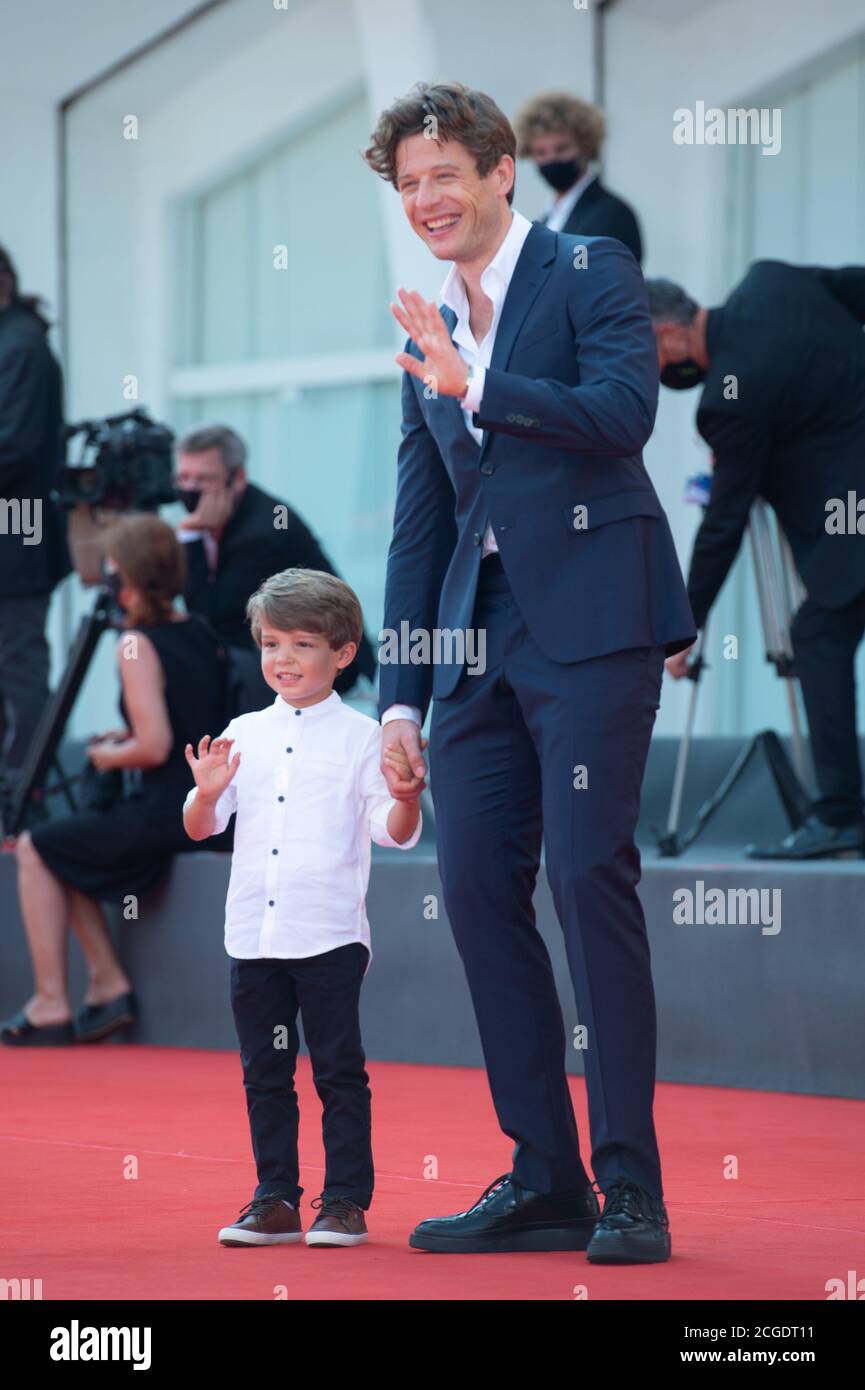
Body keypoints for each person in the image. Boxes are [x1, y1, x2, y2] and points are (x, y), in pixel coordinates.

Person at [363, 81, 695, 1263]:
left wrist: (478, 384)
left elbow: (621, 412)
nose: (427, 199)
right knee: (475, 891)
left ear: (504, 172)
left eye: (445, 174)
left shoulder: (589, 265)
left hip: (596, 621)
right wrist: (397, 693)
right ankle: (544, 1175)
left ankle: (631, 1189)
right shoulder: (419, 319)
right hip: (473, 640)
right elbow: (418, 526)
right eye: (408, 184)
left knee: (584, 875)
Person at [182, 568, 423, 1248]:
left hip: (328, 935)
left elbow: (392, 833)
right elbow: (201, 826)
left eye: (302, 645)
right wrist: (204, 793)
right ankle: (274, 1197)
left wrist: (405, 797)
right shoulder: (243, 731)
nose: (282, 660)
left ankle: (344, 1201)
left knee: (338, 1070)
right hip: (253, 935)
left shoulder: (362, 737)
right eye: (270, 644)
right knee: (264, 1072)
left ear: (344, 652)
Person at [647, 264, 865, 859]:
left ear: (664, 334)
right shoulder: (770, 282)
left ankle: (841, 815)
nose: (653, 377)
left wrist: (679, 630)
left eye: (646, 359)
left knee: (816, 636)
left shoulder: (728, 401)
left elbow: (724, 524)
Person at [0, 514, 231, 1047]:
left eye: (109, 568)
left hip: (167, 810)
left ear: (126, 576)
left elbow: (153, 746)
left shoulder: (133, 644)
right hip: (200, 803)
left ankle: (51, 1001)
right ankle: (107, 986)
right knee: (68, 847)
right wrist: (124, 735)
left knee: (37, 845)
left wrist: (106, 757)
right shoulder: (197, 629)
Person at [175, 424, 377, 711]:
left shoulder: (262, 533)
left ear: (238, 478)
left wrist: (190, 535)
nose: (190, 489)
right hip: (285, 679)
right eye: (183, 478)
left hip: (328, 685)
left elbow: (210, 611)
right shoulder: (234, 515)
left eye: (203, 479)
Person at [0, 245, 72, 794]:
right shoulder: (19, 343)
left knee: (19, 667)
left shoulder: (21, 348)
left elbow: (15, 451)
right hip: (15, 536)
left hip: (16, 541)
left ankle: (24, 793)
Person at [513, 91, 644, 263]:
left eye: (561, 149)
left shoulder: (612, 214)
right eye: (541, 152)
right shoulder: (548, 219)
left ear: (585, 146)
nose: (551, 159)